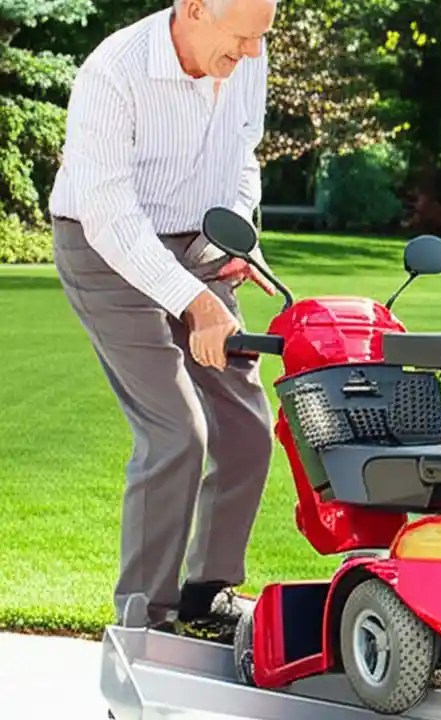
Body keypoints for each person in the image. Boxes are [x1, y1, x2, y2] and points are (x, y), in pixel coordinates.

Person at [47, 0, 278, 645]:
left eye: (262, 39)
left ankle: (206, 593)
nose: (253, 56)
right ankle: (142, 625)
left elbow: (243, 160)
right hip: (103, 249)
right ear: (194, 10)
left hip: (195, 244)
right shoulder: (114, 73)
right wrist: (193, 301)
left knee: (246, 427)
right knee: (177, 431)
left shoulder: (245, 55)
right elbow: (110, 214)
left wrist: (239, 233)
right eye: (241, 40)